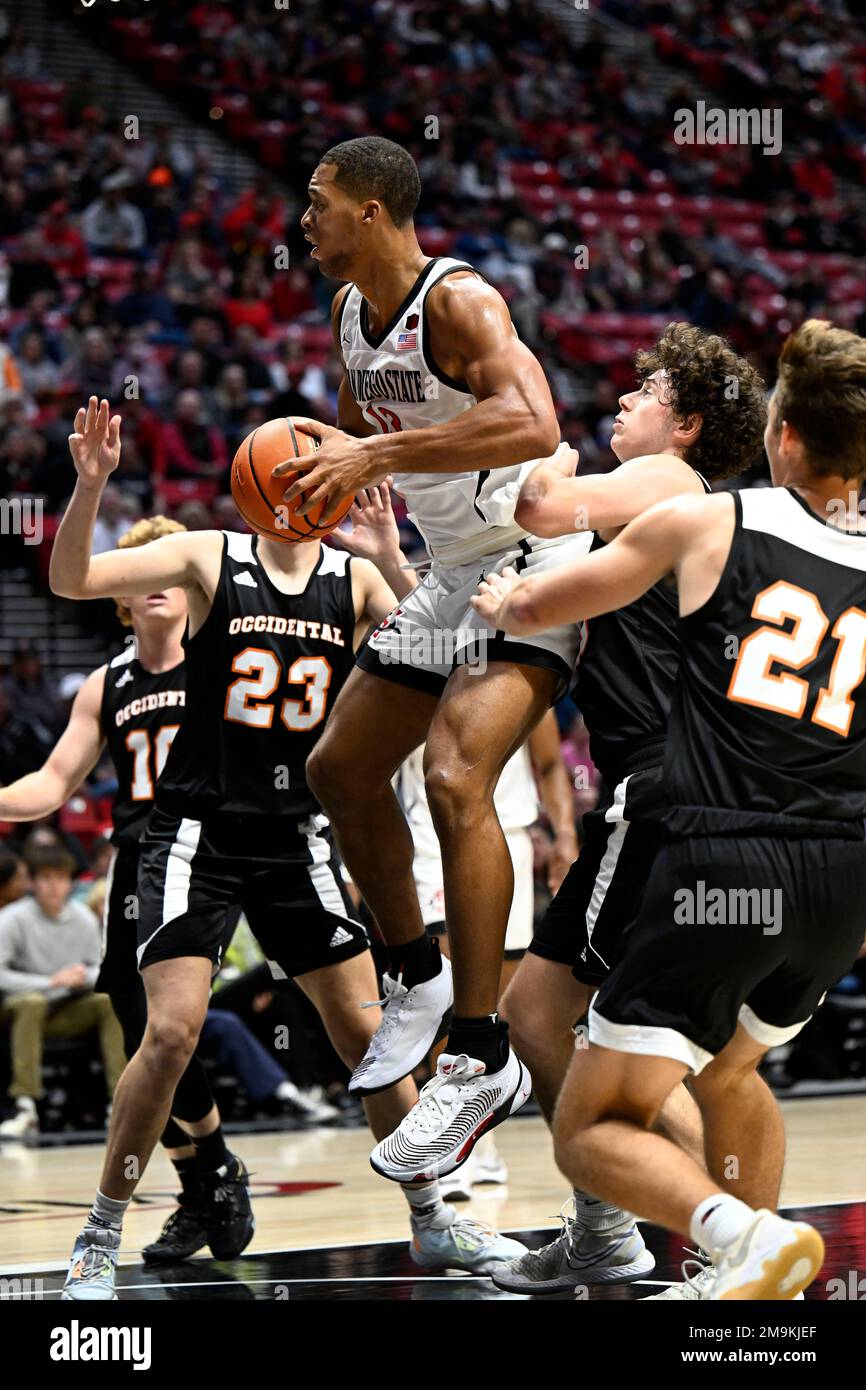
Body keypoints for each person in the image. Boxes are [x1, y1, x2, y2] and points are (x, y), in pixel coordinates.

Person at [50, 398, 527, 1300]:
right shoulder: (205, 554)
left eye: (321, 468)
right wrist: (90, 487)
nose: (306, 479)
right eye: (294, 470)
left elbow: (433, 635)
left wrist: (392, 554)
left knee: (371, 1035)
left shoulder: (353, 582)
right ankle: (97, 1237)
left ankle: (433, 1219)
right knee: (173, 1031)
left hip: (298, 837)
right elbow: (73, 578)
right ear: (259, 483)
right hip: (199, 830)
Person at [471, 318, 866, 1301]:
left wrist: (496, 606)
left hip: (721, 853)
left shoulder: (710, 520)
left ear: (782, 439)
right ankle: (746, 1282)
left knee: (592, 1127)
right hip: (840, 877)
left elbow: (537, 602)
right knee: (729, 1071)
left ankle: (733, 1237)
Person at [278, 135, 590, 1181]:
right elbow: (382, 435)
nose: (304, 220)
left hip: (531, 555)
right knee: (338, 769)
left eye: (318, 203)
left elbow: (534, 417)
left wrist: (377, 450)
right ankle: (410, 970)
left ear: (370, 209)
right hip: (451, 564)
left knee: (458, 777)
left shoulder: (458, 303)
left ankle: (479, 1046)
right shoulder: (345, 317)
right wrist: (326, 468)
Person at [0, 516, 254, 1264]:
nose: (155, 586)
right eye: (137, 572)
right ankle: (204, 1177)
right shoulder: (107, 682)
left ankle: (208, 1177)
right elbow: (51, 783)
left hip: (211, 853)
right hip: (137, 858)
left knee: (167, 1031)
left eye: (168, 572)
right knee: (143, 1026)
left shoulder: (224, 660)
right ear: (120, 594)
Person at [0, 846, 125, 1139]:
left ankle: (119, 1102)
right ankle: (25, 1106)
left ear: (70, 882)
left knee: (107, 1000)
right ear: (32, 882)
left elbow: (100, 969)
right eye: (45, 878)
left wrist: (81, 977)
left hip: (67, 1008)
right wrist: (49, 982)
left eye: (60, 878)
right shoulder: (12, 918)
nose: (53, 885)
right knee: (31, 1003)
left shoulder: (83, 918)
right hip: (19, 1010)